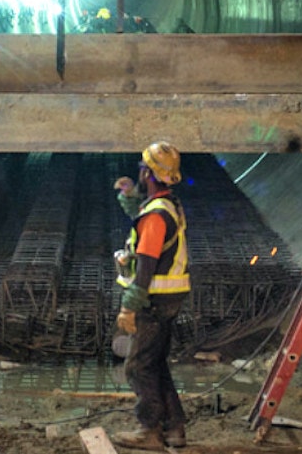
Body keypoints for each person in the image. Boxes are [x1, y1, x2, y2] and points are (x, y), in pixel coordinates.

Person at [111, 141, 190, 451]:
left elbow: (145, 268)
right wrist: (129, 196)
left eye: (142, 171)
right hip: (170, 297)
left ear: (148, 173)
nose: (140, 174)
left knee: (138, 366)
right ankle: (175, 430)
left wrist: (129, 308)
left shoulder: (156, 217)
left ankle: (150, 431)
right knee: (156, 363)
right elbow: (144, 216)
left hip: (154, 301)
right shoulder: (167, 204)